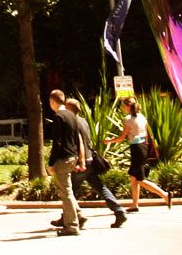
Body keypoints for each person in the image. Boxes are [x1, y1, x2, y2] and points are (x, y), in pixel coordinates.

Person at [51, 99, 127, 229]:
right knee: (100, 187)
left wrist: (80, 162)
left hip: (81, 162)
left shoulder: (72, 122)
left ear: (69, 109)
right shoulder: (84, 121)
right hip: (90, 160)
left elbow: (79, 143)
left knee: (68, 191)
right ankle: (119, 211)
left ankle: (73, 218)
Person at [105, 96, 172, 211]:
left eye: (123, 105)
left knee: (140, 179)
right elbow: (145, 134)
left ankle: (165, 195)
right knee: (134, 177)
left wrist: (109, 141)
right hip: (143, 147)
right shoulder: (142, 117)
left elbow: (122, 137)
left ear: (127, 106)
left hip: (136, 148)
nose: (122, 108)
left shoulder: (128, 119)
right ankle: (134, 204)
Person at [45, 89, 85, 236]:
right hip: (72, 156)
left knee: (65, 193)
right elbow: (77, 139)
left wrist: (51, 163)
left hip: (62, 158)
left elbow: (57, 142)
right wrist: (78, 158)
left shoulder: (58, 117)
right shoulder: (71, 115)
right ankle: (78, 215)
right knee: (68, 190)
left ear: (52, 101)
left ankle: (72, 226)